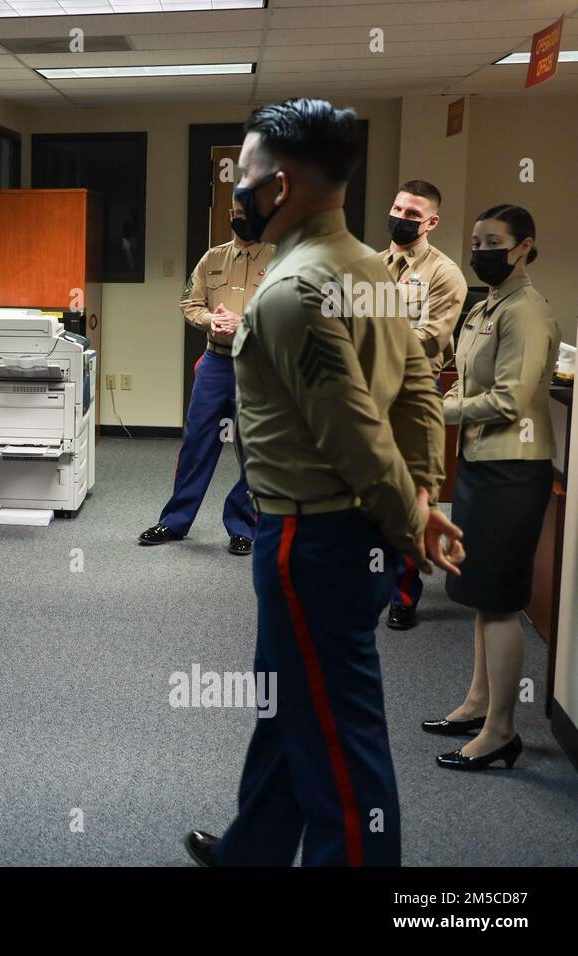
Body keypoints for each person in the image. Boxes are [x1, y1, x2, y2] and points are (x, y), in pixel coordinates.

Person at [183, 98, 462, 868]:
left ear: (279, 186)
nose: (235, 188)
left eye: (242, 174)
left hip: (314, 539)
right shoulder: (367, 265)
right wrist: (422, 498)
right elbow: (415, 389)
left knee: (340, 740)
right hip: (354, 529)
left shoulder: (292, 291)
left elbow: (352, 430)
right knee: (287, 704)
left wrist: (410, 514)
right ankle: (255, 852)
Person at [427, 205, 559, 771]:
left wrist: (437, 409)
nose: (480, 251)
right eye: (476, 240)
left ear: (525, 247)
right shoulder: (487, 306)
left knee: (500, 601)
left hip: (513, 469)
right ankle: (478, 703)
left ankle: (502, 732)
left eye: (494, 242)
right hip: (482, 463)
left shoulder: (526, 312)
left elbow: (508, 399)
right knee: (480, 593)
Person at [138, 205, 274, 555]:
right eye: (239, 210)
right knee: (197, 441)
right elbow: (189, 301)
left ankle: (243, 526)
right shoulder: (212, 258)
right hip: (215, 362)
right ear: (230, 212)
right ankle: (175, 520)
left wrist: (245, 322)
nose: (244, 216)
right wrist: (210, 319)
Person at [380, 180, 468, 630]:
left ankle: (403, 594)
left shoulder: (444, 273)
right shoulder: (370, 266)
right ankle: (368, 581)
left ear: (431, 222)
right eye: (397, 208)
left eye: (412, 213)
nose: (400, 217)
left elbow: (433, 336)